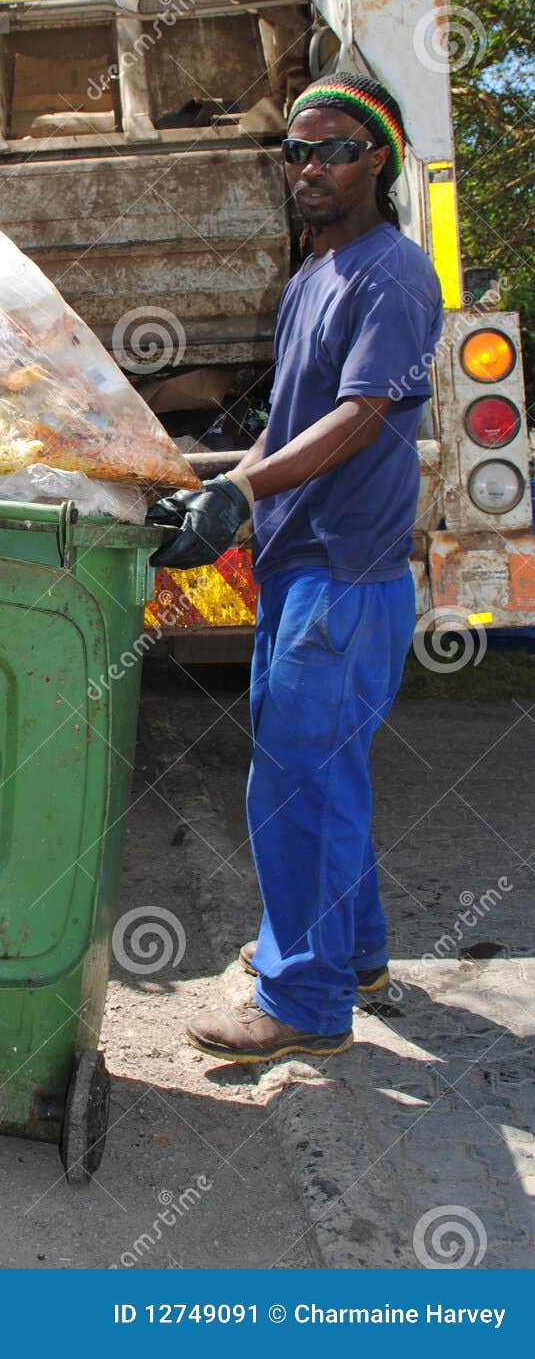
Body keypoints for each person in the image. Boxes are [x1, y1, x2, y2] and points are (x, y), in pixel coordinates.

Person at [149, 71, 443, 1063]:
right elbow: (288, 420)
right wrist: (220, 495)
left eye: (333, 151)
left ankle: (304, 1001)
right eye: (296, 152)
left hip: (346, 572)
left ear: (377, 162)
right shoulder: (314, 275)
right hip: (298, 562)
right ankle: (351, 956)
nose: (310, 167)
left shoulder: (391, 275)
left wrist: (245, 490)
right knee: (323, 777)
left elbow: (360, 416)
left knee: (295, 788)